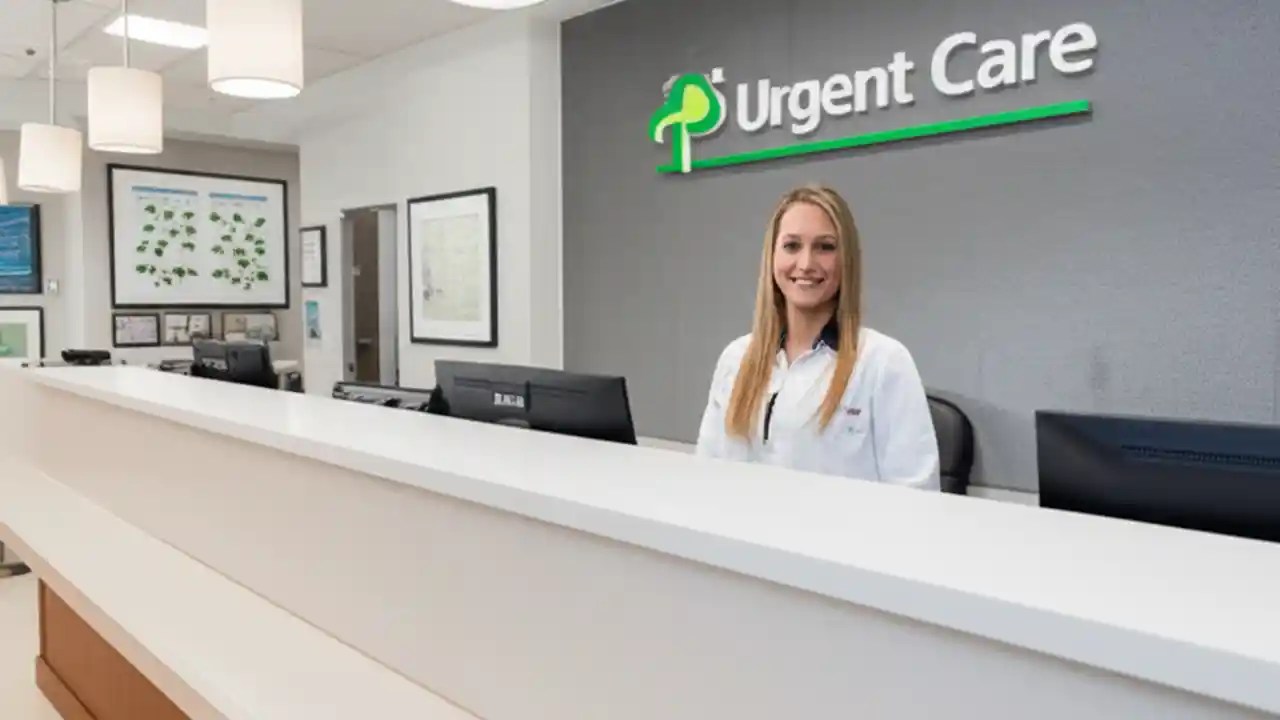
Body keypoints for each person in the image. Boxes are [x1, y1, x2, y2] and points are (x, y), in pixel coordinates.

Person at [695, 184, 940, 490]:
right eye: (791, 246)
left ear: (846, 259)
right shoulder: (736, 358)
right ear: (772, 256)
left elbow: (916, 496)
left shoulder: (883, 362)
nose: (806, 264)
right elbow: (706, 479)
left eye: (825, 247)